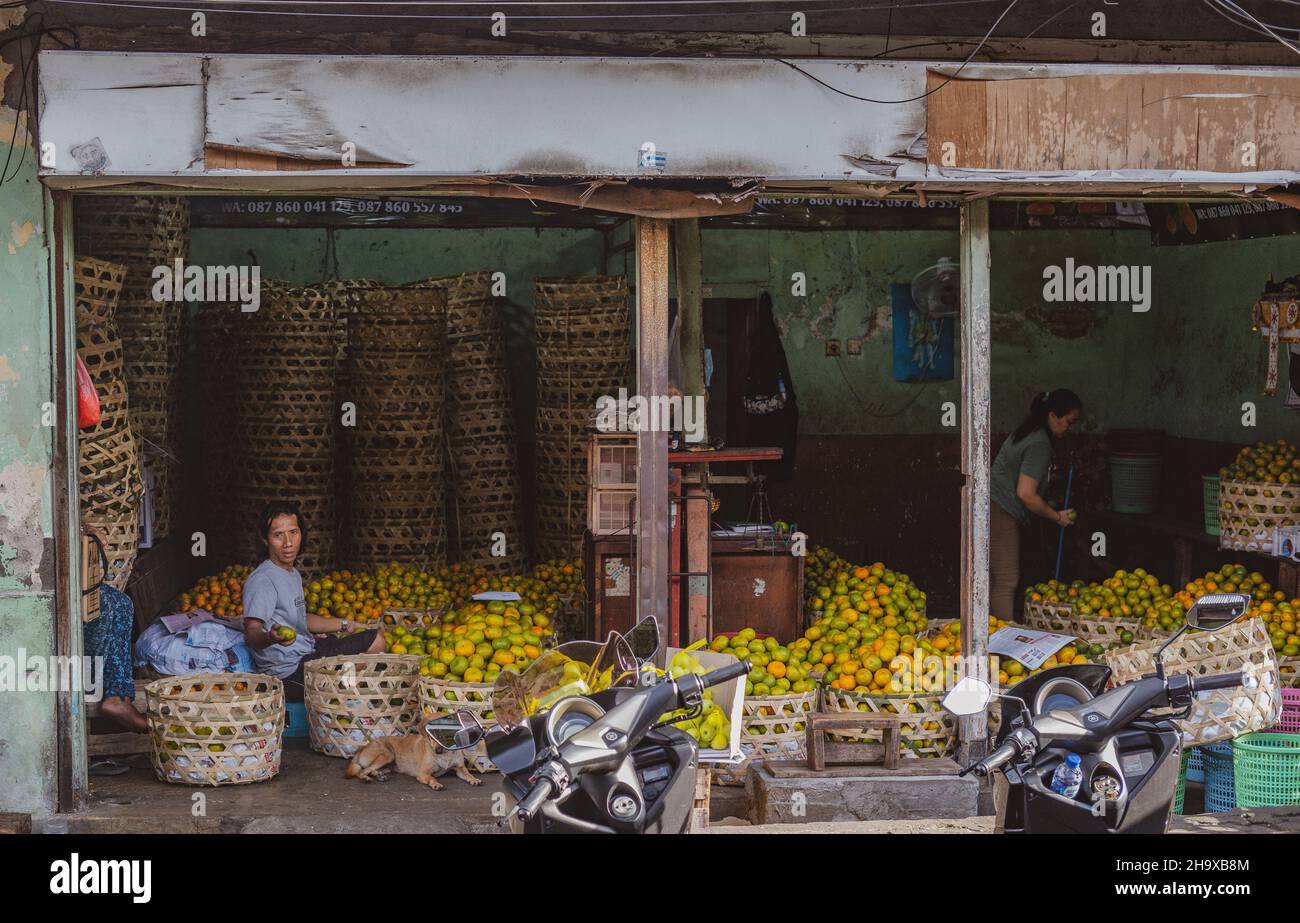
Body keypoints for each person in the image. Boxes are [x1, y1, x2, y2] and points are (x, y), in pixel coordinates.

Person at [242, 500, 384, 698]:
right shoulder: (263, 580)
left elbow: (301, 618)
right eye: (278, 535)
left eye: (293, 532)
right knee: (376, 642)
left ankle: (335, 689)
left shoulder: (291, 573)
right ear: (265, 539)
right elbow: (251, 633)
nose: (288, 543)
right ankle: (334, 693)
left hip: (308, 653)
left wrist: (345, 624)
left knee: (368, 639)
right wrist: (270, 638)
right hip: (289, 674)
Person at [989, 389, 1083, 619]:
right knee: (1006, 579)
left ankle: (991, 634)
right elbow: (1026, 494)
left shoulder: (1024, 432)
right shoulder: (1040, 443)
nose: (1070, 428)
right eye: (1069, 422)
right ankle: (1002, 644)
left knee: (991, 577)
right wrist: (1056, 516)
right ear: (1053, 416)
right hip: (1001, 509)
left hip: (987, 504)